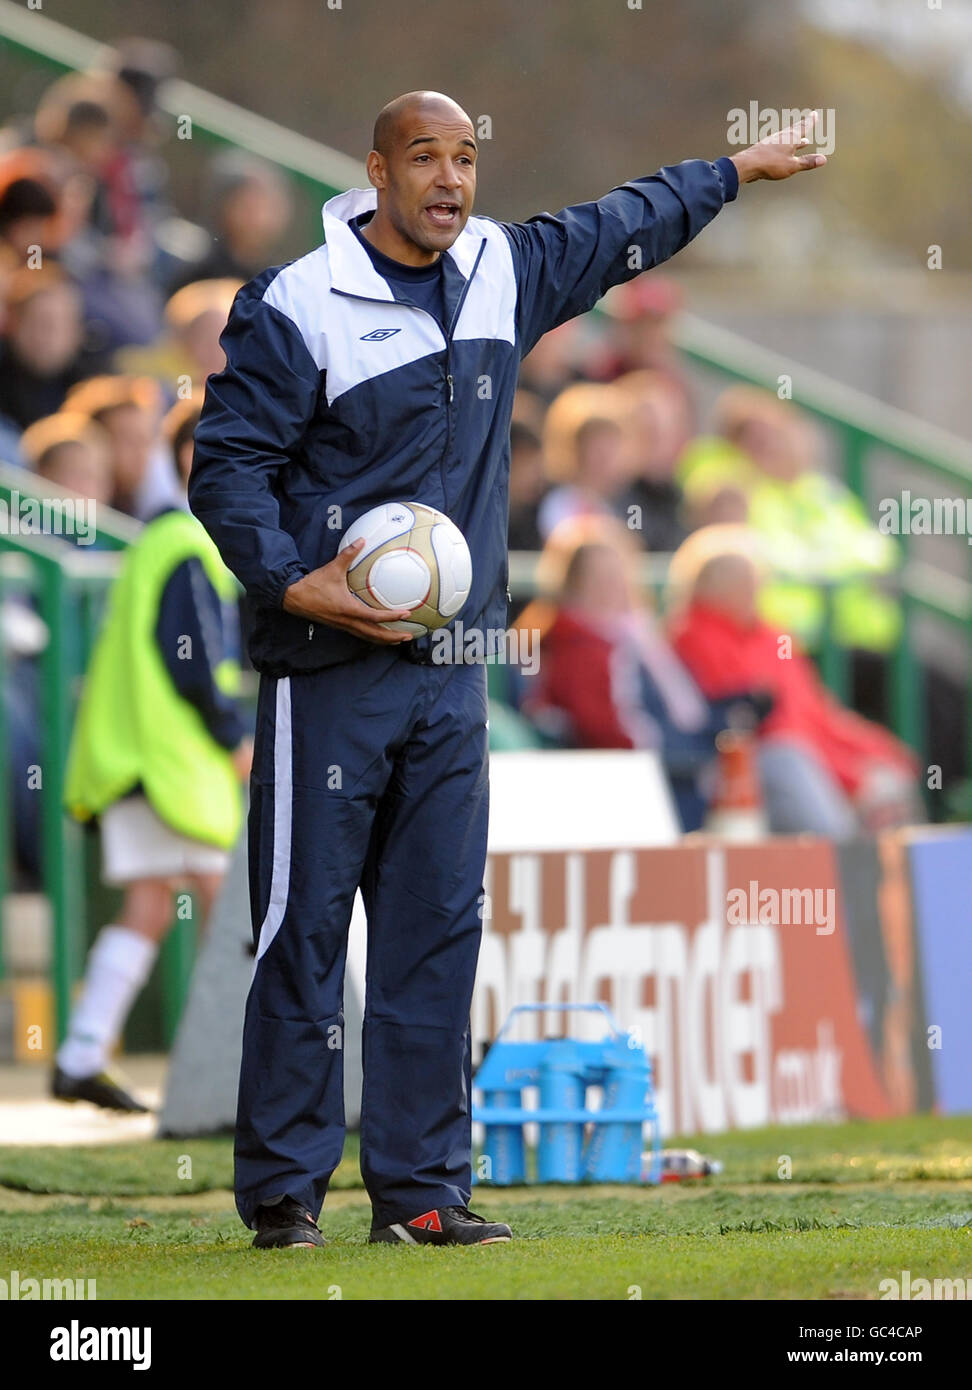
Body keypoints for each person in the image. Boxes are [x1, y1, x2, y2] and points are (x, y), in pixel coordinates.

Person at [188, 90, 826, 1250]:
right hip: (327, 672)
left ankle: (423, 1192)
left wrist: (733, 172)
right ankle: (284, 1196)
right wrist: (294, 582)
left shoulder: (504, 269)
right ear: (374, 168)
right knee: (305, 929)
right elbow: (226, 466)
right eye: (425, 156)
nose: (450, 179)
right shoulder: (294, 302)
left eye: (467, 158)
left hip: (454, 673)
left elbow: (624, 219)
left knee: (438, 929)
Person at [55, 400, 251, 1111]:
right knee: (235, 910)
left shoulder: (163, 540)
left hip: (140, 760)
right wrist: (233, 738)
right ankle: (237, 1077)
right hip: (174, 763)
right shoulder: (187, 544)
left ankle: (79, 1054)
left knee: (148, 906)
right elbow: (191, 661)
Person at [667, 527, 920, 838]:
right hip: (751, 763)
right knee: (819, 805)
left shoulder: (774, 638)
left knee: (892, 776)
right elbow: (758, 724)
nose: (749, 589)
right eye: (735, 579)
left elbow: (818, 714)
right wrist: (851, 777)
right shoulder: (691, 636)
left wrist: (878, 753)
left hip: (811, 757)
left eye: (752, 579)